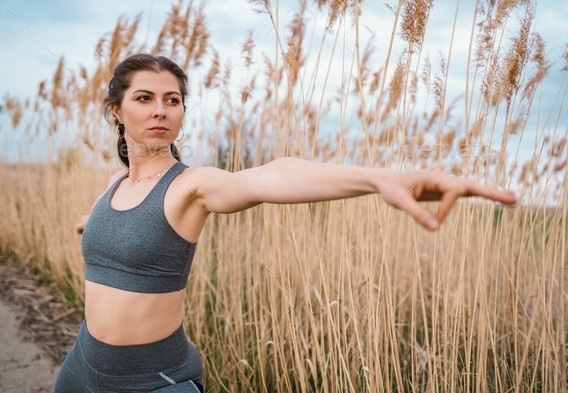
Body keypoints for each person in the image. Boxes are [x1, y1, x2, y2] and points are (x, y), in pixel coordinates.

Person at [54, 53, 517, 392]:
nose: (161, 109)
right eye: (145, 98)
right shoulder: (115, 184)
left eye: (172, 100)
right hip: (81, 367)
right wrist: (92, 224)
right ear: (117, 111)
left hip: (152, 382)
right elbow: (111, 226)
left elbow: (270, 176)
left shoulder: (191, 186)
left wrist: (379, 178)